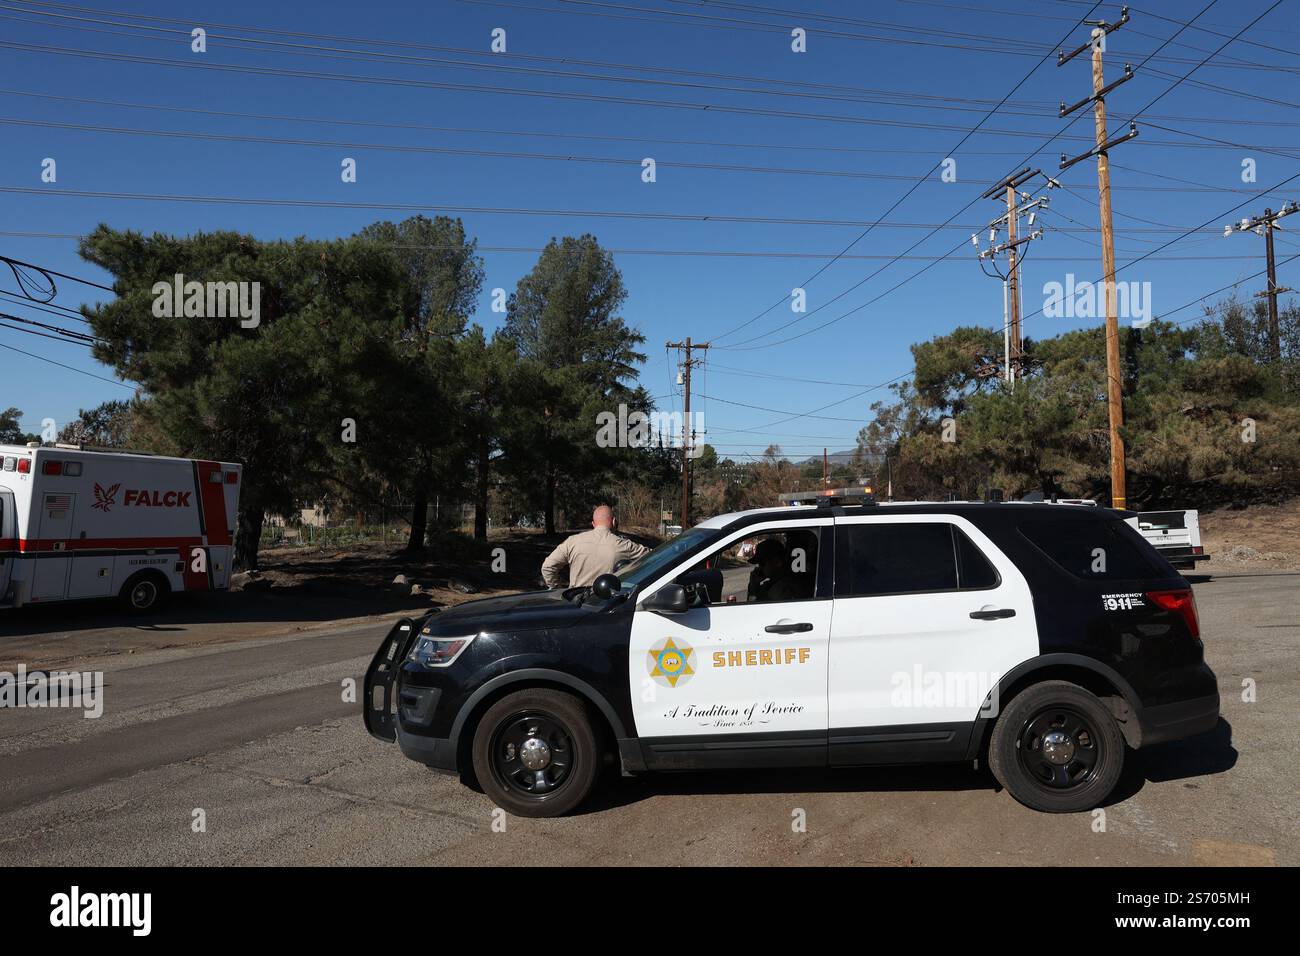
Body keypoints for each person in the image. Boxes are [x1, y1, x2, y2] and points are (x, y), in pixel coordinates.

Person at [541, 505, 651, 588]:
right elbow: (657, 556)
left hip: (575, 604)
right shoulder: (624, 545)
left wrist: (559, 589)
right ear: (614, 521)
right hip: (608, 606)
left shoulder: (572, 541)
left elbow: (547, 567)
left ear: (593, 524)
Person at [745, 537, 803, 603]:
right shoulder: (772, 583)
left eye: (762, 563)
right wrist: (754, 585)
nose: (759, 568)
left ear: (777, 562)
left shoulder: (782, 588)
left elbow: (756, 608)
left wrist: (754, 588)